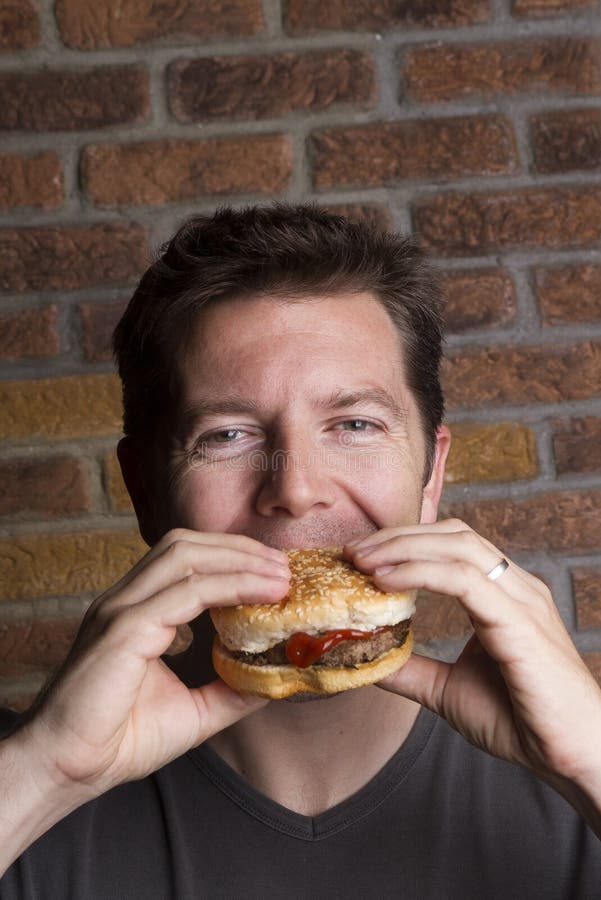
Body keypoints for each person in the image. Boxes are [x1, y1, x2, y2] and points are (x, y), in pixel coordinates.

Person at [1, 203, 601, 898]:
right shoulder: (27, 780)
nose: (296, 490)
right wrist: (46, 772)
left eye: (353, 423)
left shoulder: (574, 776)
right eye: (227, 436)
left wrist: (587, 764)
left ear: (429, 474)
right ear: (147, 491)